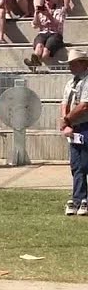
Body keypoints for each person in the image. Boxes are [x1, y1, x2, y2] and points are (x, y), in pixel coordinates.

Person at [61, 49, 88, 216]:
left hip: (86, 125)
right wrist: (66, 122)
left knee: (85, 163)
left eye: (73, 63)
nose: (71, 67)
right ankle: (78, 198)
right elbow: (64, 102)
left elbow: (84, 105)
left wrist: (67, 119)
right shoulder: (71, 83)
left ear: (83, 64)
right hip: (75, 126)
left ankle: (83, 199)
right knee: (76, 164)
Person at [24, 0, 66, 69]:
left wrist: (49, 15)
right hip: (42, 33)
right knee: (39, 47)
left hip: (55, 34)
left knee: (45, 54)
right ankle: (34, 63)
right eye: (46, 0)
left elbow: (58, 26)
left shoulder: (59, 11)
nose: (48, 3)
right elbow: (35, 25)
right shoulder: (41, 11)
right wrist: (36, 14)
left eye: (50, 0)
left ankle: (33, 64)